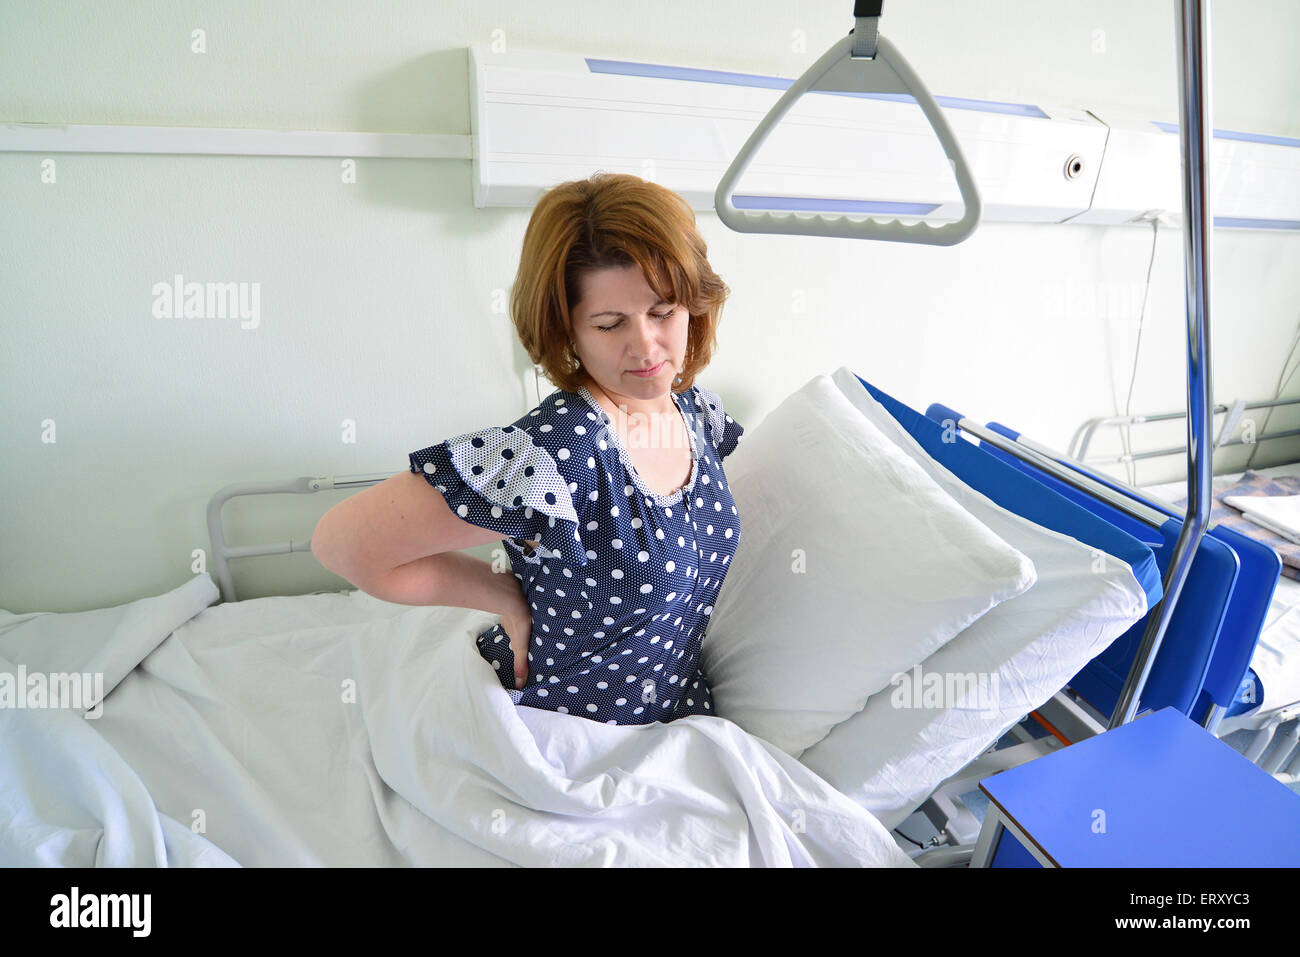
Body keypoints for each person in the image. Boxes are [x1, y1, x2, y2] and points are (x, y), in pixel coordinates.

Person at [312, 172, 744, 726]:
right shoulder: (556, 454)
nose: (646, 347)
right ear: (568, 332)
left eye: (663, 312)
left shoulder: (698, 412)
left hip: (678, 715)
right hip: (560, 731)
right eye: (610, 324)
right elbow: (340, 544)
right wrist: (501, 594)